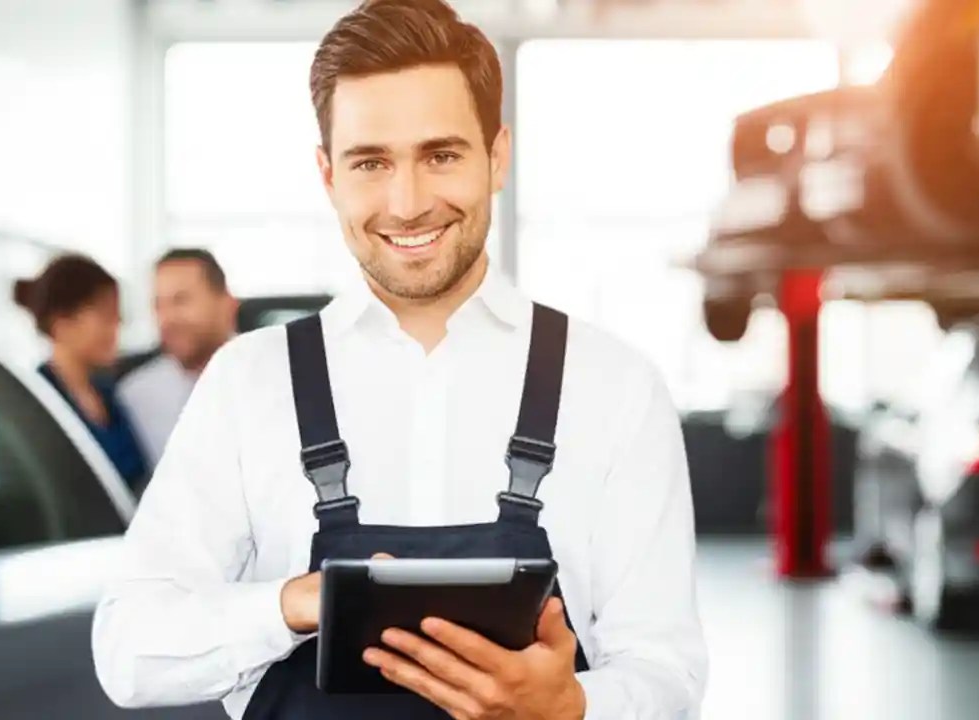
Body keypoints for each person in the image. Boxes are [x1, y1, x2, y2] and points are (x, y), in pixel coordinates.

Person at [91, 0, 707, 718]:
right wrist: (293, 604)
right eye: (371, 162)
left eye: (440, 155)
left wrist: (572, 709)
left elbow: (668, 672)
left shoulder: (614, 387)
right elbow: (127, 652)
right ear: (328, 175)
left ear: (497, 156)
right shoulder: (247, 383)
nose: (407, 202)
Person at [14, 254, 149, 493]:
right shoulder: (35, 401)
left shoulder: (109, 393)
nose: (118, 324)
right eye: (107, 315)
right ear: (62, 323)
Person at [119, 248, 239, 469]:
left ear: (227, 304)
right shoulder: (135, 396)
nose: (167, 318)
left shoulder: (274, 379)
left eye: (181, 300)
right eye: (158, 305)